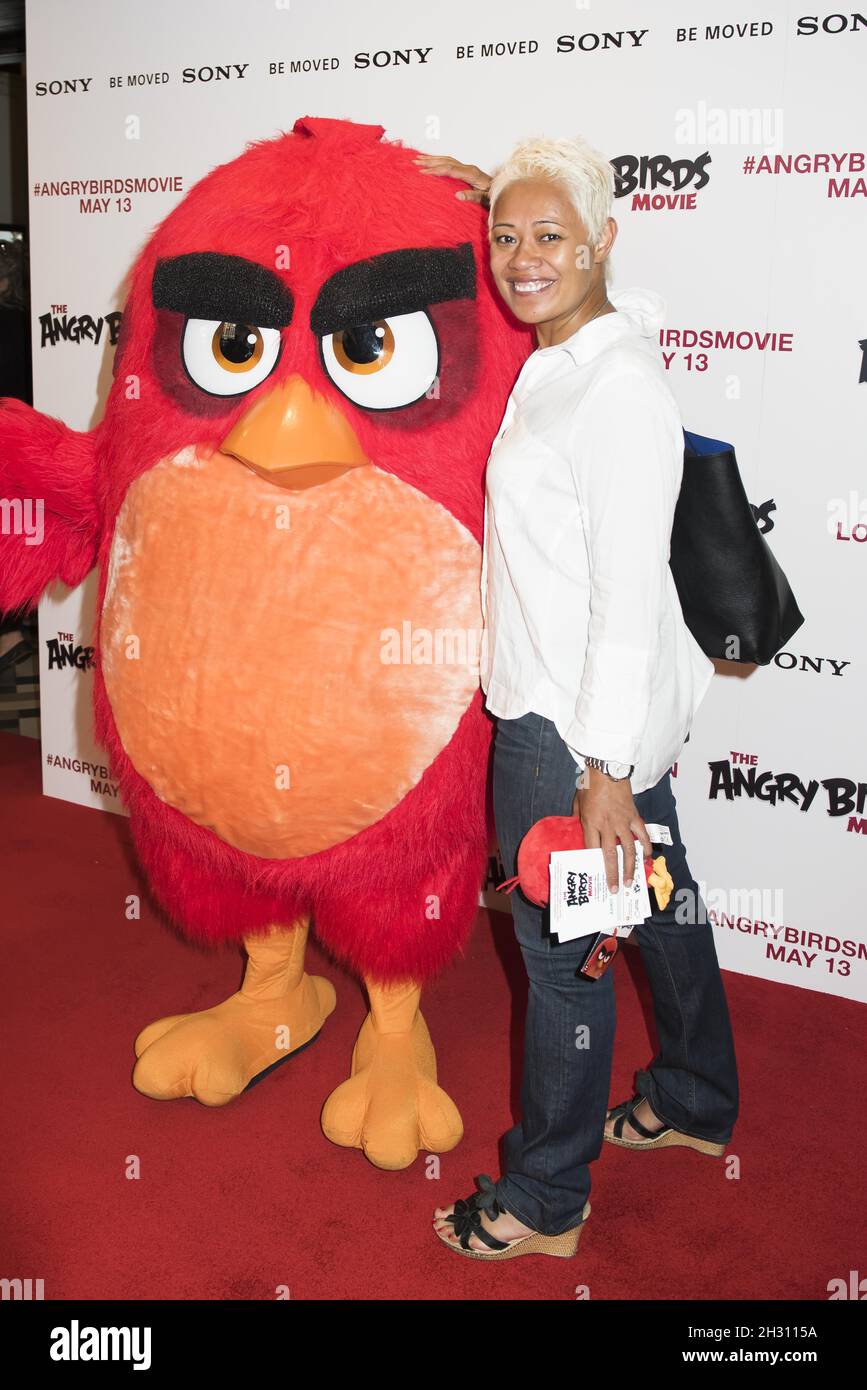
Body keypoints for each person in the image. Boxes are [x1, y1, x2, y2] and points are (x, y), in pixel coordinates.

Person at [416, 137, 739, 1260]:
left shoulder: (617, 390)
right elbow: (577, 268)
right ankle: (698, 1095)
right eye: (505, 236)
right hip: (596, 719)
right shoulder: (576, 351)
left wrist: (600, 773)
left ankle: (546, 1197)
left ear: (607, 240)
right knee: (661, 903)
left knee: (570, 956)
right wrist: (501, 187)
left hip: (570, 730)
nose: (520, 258)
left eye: (550, 236)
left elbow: (623, 604)